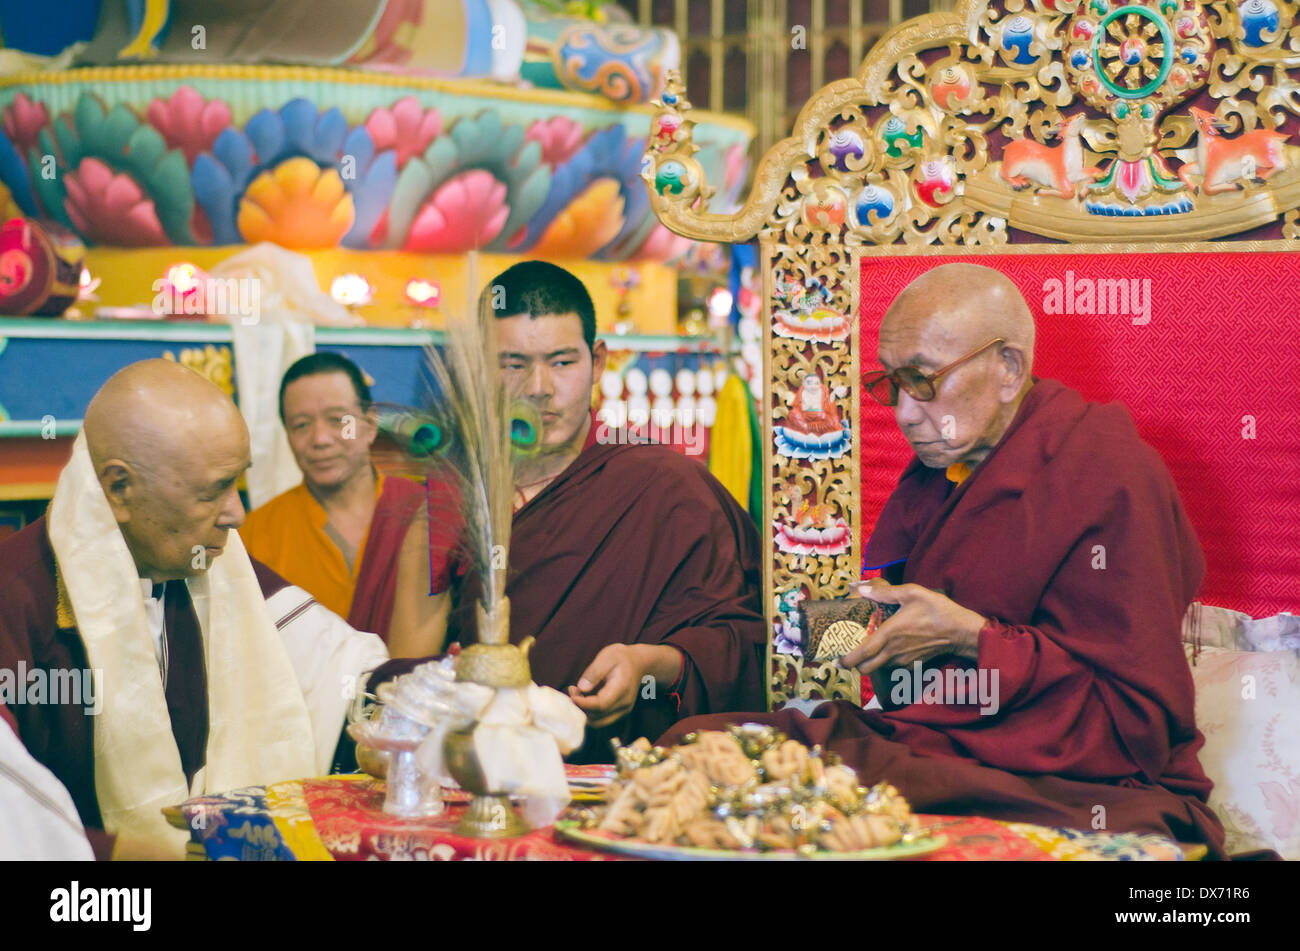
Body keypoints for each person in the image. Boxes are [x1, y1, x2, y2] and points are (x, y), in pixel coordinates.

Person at [662, 263, 1226, 856]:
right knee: (699, 744)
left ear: (1008, 368)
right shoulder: (952, 470)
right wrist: (846, 626)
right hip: (947, 741)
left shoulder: (1109, 474)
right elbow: (918, 658)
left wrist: (971, 638)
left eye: (924, 382)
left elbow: (1136, 721)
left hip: (1067, 775)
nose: (903, 413)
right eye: (892, 385)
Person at [0, 360, 390, 859]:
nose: (237, 513)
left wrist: (420, 709)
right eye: (215, 491)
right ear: (118, 488)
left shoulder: (213, 564)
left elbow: (335, 663)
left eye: (238, 483)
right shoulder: (19, 598)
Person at [391, 261, 767, 762]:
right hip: (483, 793)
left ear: (599, 362)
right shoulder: (449, 508)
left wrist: (648, 665)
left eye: (562, 362)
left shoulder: (669, 491)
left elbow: (744, 646)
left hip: (631, 798)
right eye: (513, 364)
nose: (540, 387)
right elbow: (411, 697)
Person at [239, 352, 428, 645]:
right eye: (301, 425)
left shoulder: (426, 512)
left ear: (371, 423)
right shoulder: (254, 536)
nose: (320, 439)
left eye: (338, 420)